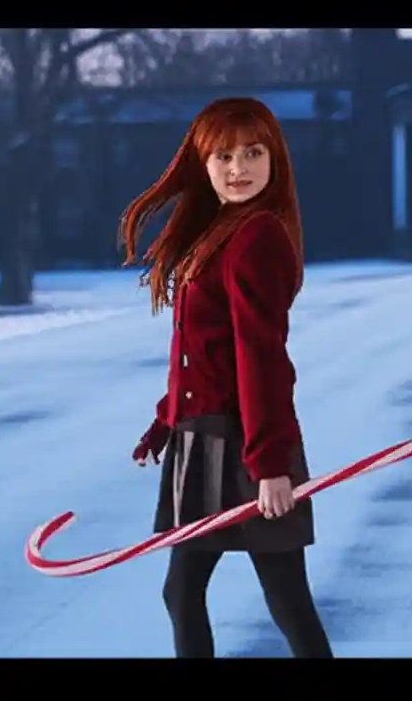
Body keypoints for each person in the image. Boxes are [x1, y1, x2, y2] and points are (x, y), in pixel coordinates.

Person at [117, 96, 333, 659]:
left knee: (285, 598)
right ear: (202, 164)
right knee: (183, 592)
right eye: (224, 157)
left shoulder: (257, 237)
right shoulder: (217, 232)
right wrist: (165, 423)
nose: (239, 169)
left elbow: (261, 360)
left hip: (242, 446)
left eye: (254, 153)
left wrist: (270, 467)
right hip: (201, 439)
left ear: (274, 159)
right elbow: (199, 354)